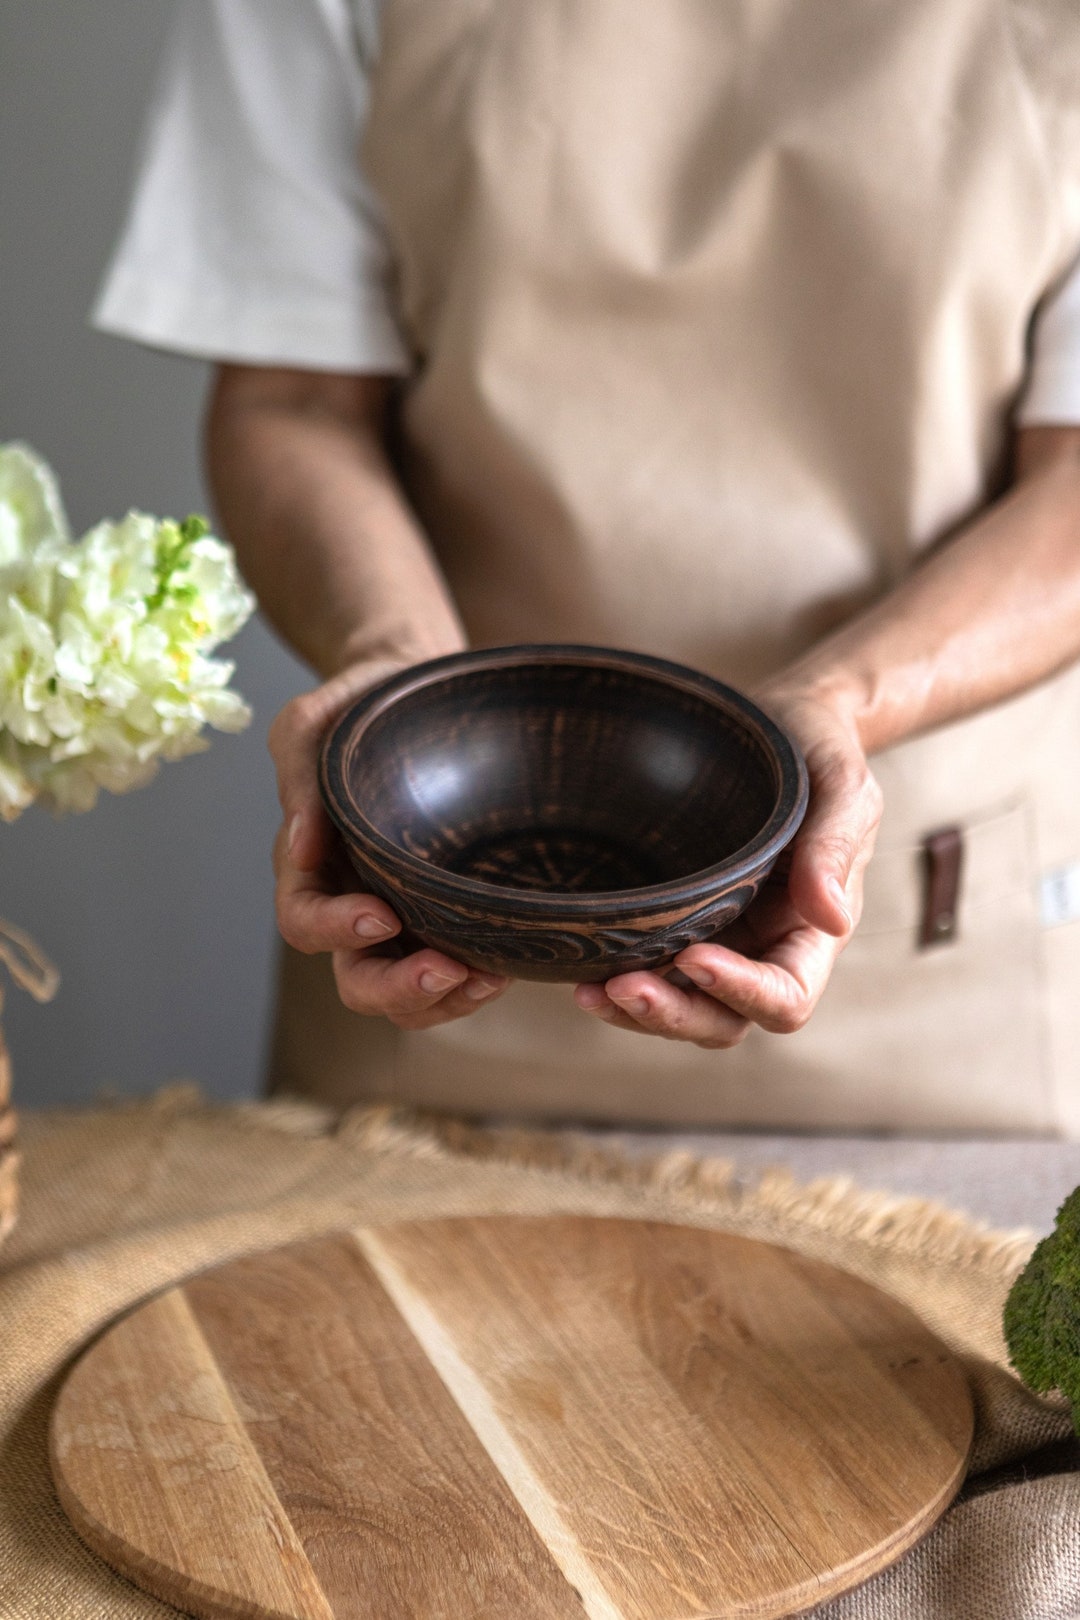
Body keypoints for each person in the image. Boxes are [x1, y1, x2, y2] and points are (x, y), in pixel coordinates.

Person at [97, 0, 1080, 1132]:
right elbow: (299, 398)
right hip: (434, 919)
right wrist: (395, 664)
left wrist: (840, 705)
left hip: (933, 952)